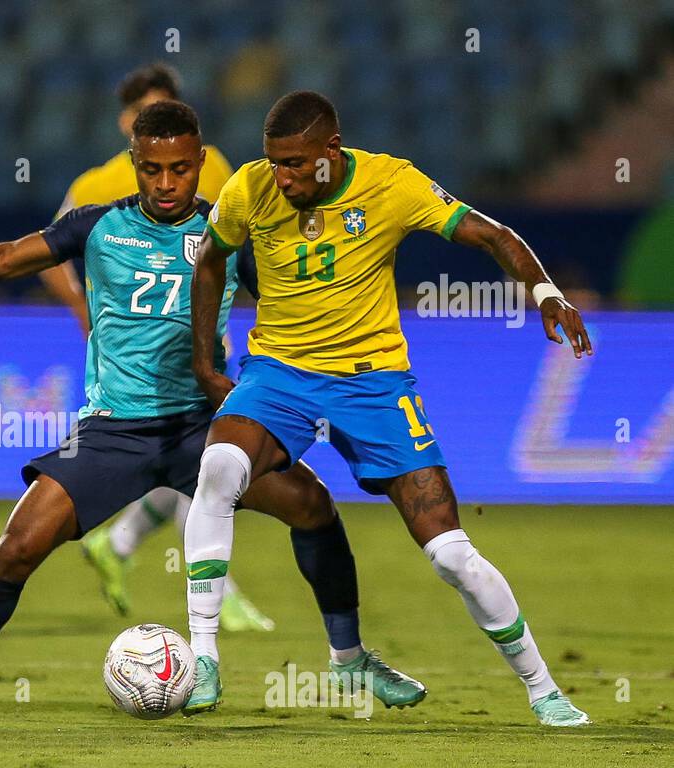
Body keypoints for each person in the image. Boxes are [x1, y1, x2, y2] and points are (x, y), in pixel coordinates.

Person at [0, 101, 378, 721]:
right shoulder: (95, 227)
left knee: (314, 507)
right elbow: (1, 260)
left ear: (200, 163)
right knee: (18, 547)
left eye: (182, 170)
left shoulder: (228, 232)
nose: (167, 184)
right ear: (134, 163)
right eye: (153, 169)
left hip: (203, 427)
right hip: (112, 431)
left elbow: (295, 297)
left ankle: (349, 662)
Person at [186, 90, 591, 726]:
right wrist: (205, 358)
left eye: (295, 163)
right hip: (279, 376)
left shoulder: (390, 183)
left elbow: (493, 235)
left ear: (331, 151)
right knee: (217, 469)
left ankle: (543, 690)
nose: (282, 176)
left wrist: (543, 292)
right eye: (273, 162)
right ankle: (204, 658)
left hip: (374, 384)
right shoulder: (249, 189)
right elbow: (210, 262)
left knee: (451, 553)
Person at [39, 63, 272, 631]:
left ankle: (120, 546)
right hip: (131, 356)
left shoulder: (214, 164)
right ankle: (211, 588)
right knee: (194, 461)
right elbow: (49, 252)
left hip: (201, 350)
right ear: (126, 123)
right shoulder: (95, 186)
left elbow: (234, 237)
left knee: (199, 461)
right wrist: (83, 313)